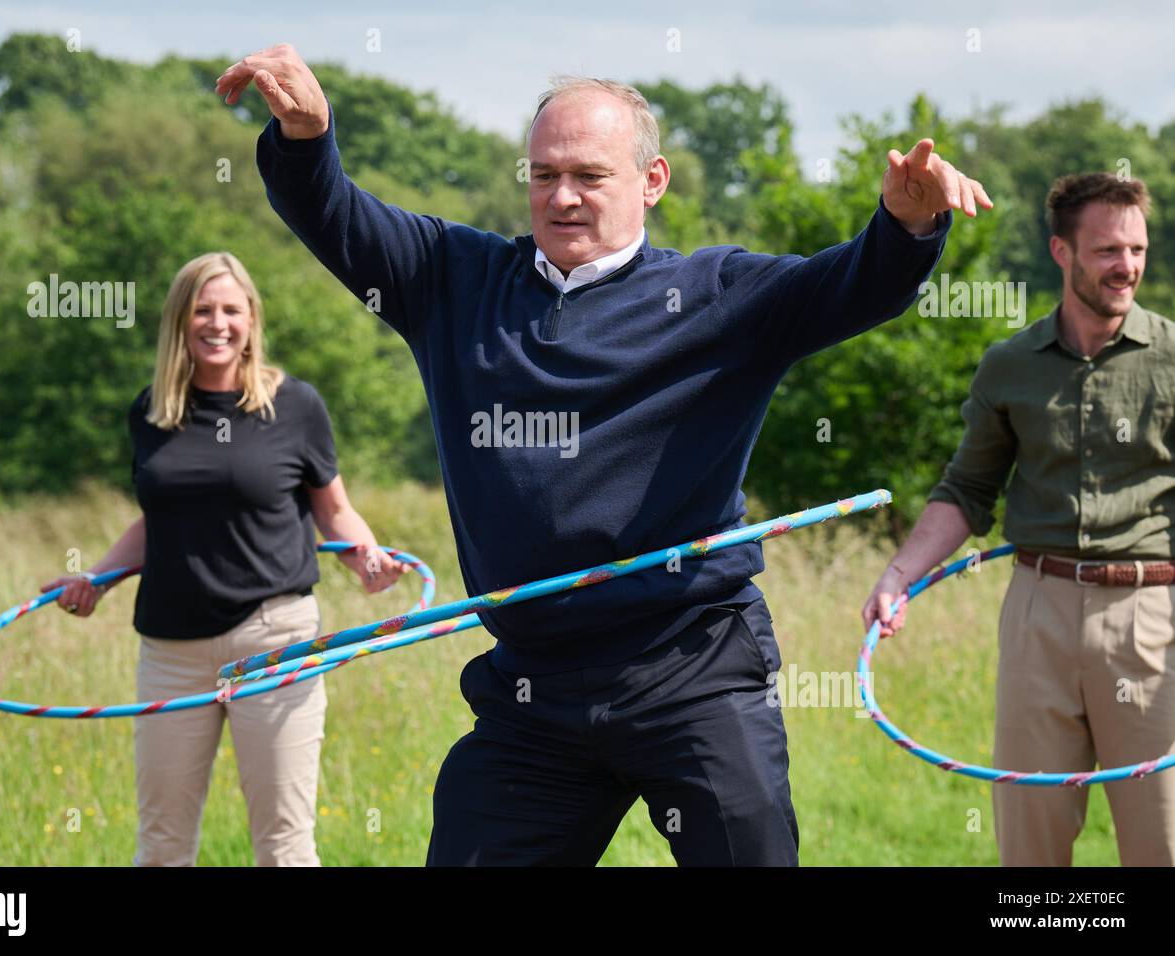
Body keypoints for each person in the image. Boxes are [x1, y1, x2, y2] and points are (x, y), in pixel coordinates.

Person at [217, 43, 990, 865]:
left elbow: (853, 284)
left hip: (691, 663)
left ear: (651, 182)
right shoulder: (454, 279)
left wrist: (908, 225)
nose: (563, 196)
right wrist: (307, 136)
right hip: (533, 680)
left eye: (589, 175)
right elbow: (337, 215)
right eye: (544, 175)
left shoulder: (718, 295)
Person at [41, 251, 408, 866]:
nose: (217, 323)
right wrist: (96, 579)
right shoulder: (154, 412)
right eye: (202, 310)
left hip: (275, 640)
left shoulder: (294, 406)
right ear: (180, 322)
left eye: (230, 310)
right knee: (161, 845)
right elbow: (158, 521)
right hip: (170, 650)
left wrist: (368, 561)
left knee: (285, 844)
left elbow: (334, 512)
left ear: (251, 321)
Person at [863, 173, 1175, 866]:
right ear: (1062, 252)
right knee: (1031, 847)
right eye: (1107, 251)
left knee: (1164, 839)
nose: (1126, 267)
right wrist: (898, 575)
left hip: (1153, 612)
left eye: (1137, 250)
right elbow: (967, 490)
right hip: (1039, 611)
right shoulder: (1009, 367)